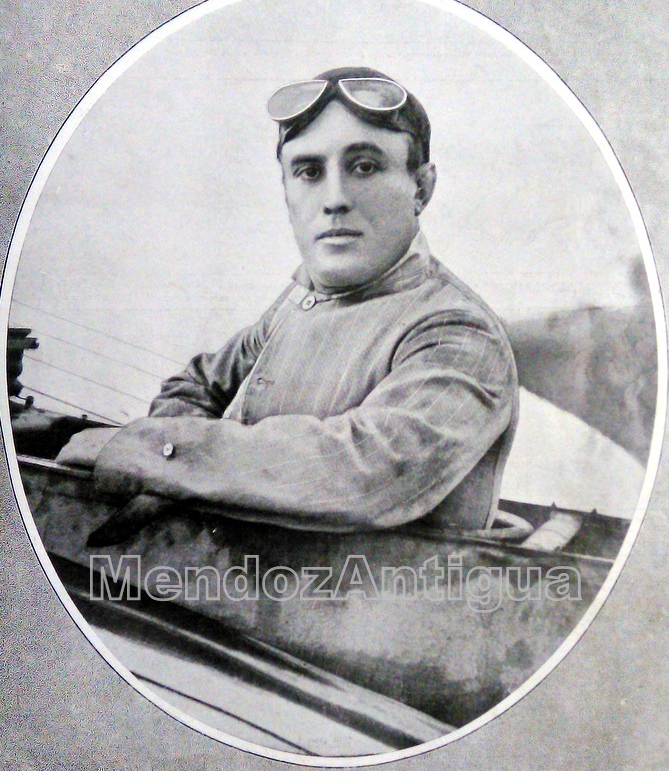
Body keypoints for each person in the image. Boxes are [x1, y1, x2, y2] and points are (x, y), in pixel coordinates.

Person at [57, 67, 518, 545]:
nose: (334, 199)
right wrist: (177, 476)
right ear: (286, 190)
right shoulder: (303, 297)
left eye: (364, 167)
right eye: (309, 172)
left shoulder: (459, 332)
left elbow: (363, 471)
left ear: (421, 188)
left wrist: (158, 455)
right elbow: (199, 383)